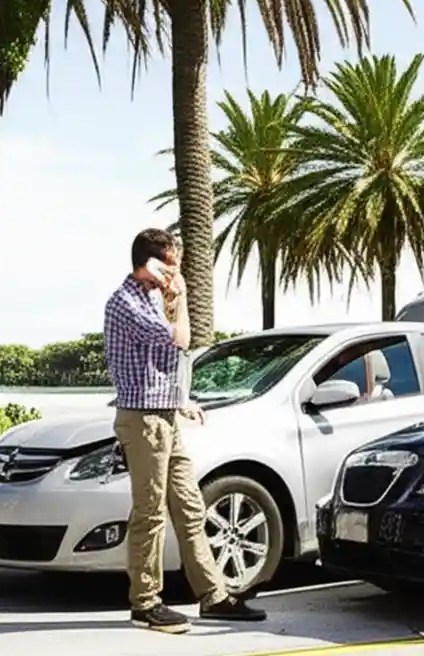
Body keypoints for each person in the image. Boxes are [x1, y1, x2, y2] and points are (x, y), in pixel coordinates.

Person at [104, 228, 266, 634]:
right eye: (171, 264)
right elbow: (181, 339)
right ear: (152, 263)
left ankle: (213, 596)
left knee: (190, 507)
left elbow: (161, 364)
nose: (176, 273)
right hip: (143, 422)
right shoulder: (127, 303)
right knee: (151, 512)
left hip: (164, 417)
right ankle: (145, 602)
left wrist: (180, 400)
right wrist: (182, 297)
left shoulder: (151, 300)